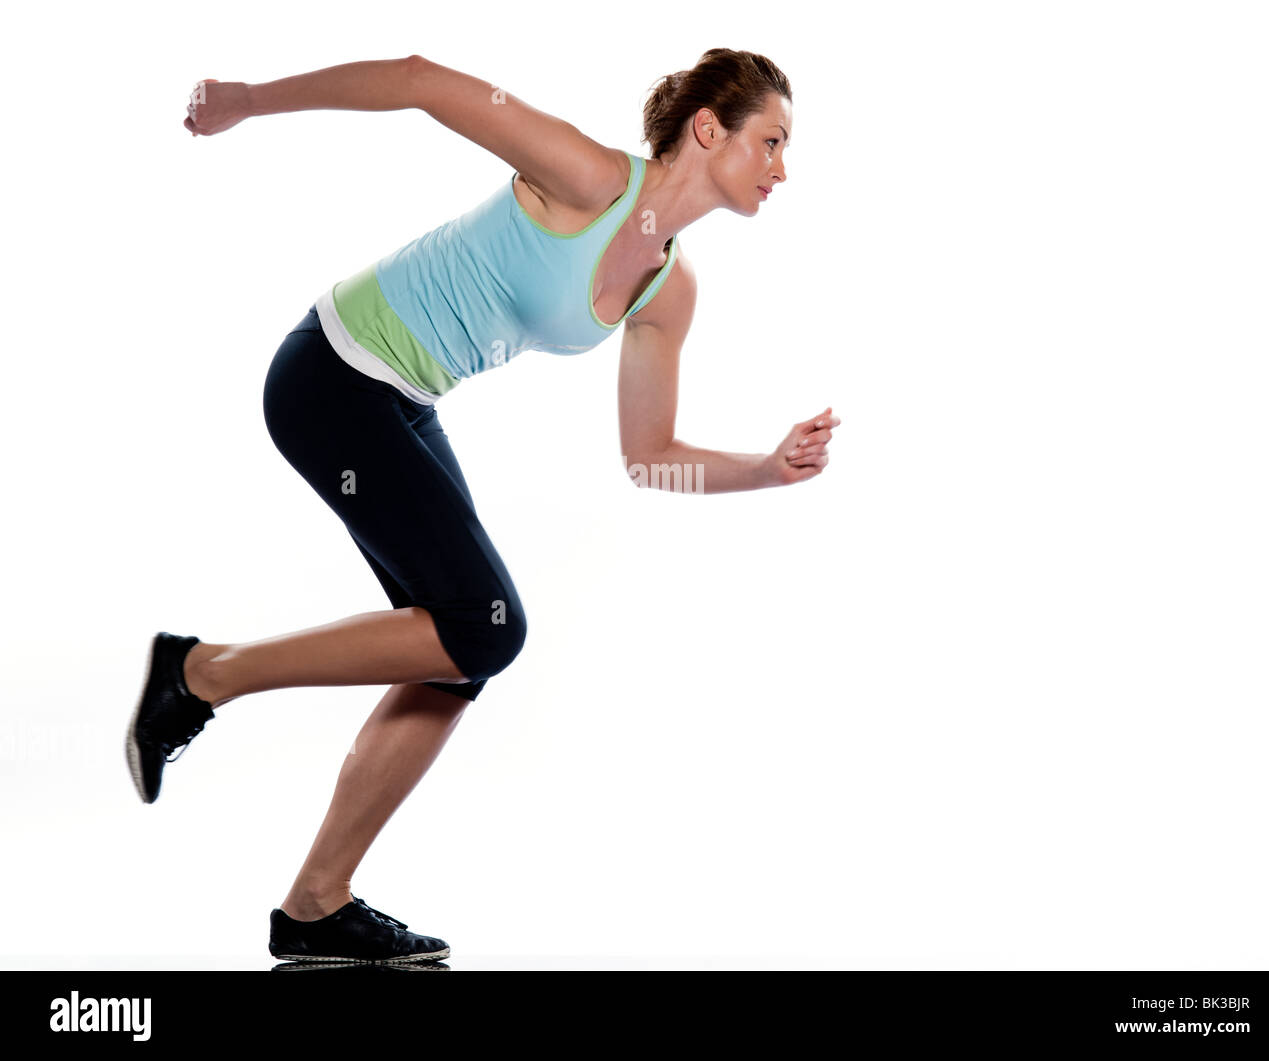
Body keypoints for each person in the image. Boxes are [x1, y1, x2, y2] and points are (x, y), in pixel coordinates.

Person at [127, 48, 838, 965]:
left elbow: (650, 459)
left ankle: (313, 904)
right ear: (710, 129)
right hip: (329, 376)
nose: (783, 168)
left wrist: (766, 468)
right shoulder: (587, 176)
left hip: (400, 400)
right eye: (772, 141)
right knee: (485, 625)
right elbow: (423, 81)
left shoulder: (669, 287)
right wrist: (246, 101)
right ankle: (200, 673)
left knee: (461, 651)